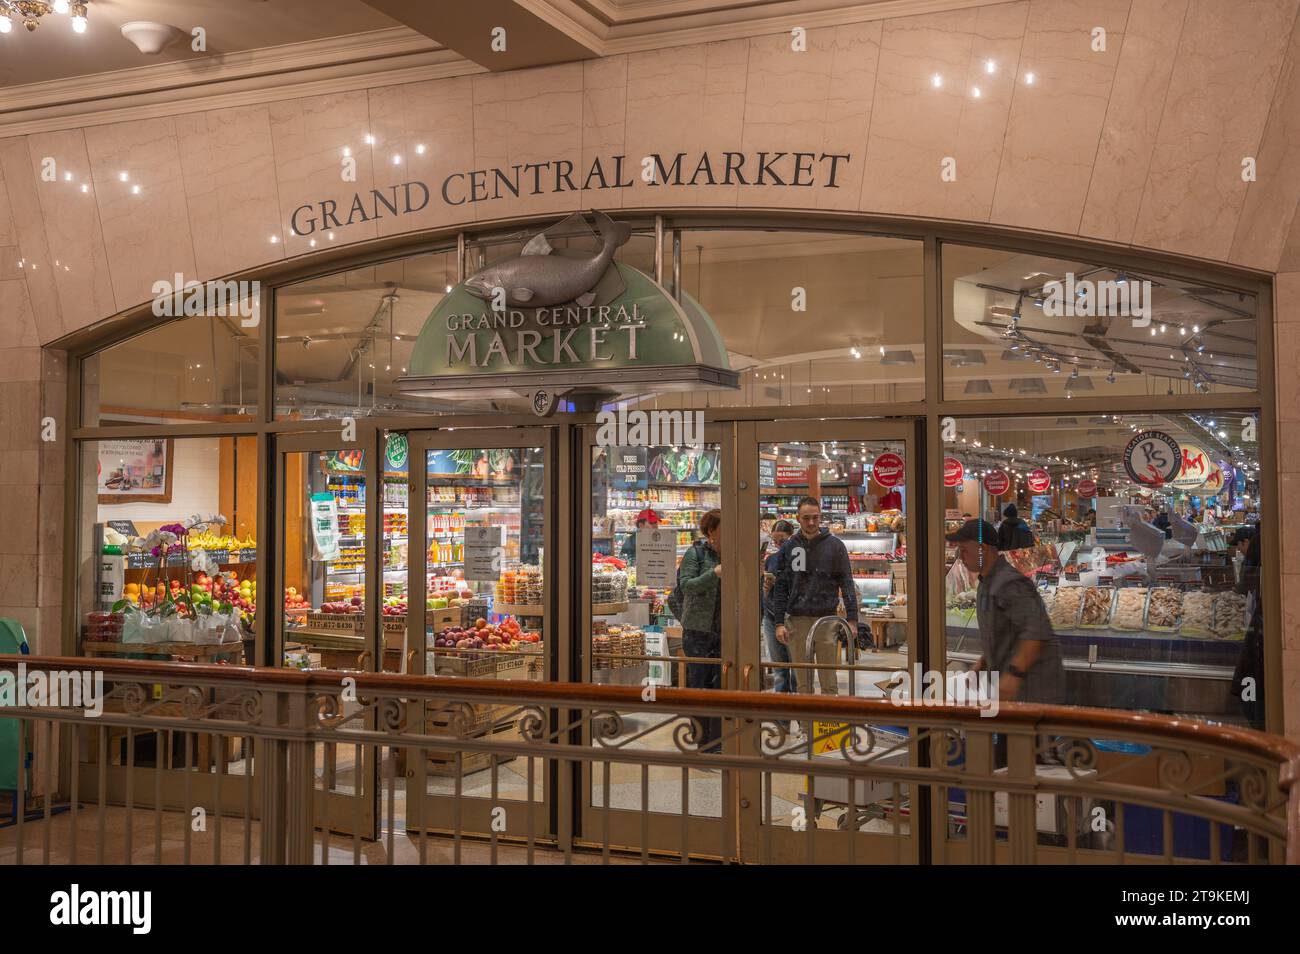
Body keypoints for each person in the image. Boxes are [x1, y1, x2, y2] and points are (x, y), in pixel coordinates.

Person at [947, 518, 1065, 706]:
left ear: (982, 549)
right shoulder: (986, 581)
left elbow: (1036, 632)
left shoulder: (1009, 582)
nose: (961, 556)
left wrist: (1013, 676)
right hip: (1010, 691)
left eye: (964, 550)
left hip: (1033, 691)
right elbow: (1004, 631)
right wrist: (982, 663)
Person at [771, 497, 859, 714]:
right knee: (802, 681)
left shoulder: (835, 546)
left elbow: (847, 583)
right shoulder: (789, 547)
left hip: (827, 620)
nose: (811, 522)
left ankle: (830, 725)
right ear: (798, 519)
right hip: (797, 620)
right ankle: (805, 726)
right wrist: (779, 622)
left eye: (815, 517)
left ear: (821, 517)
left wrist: (852, 619)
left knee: (828, 679)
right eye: (806, 518)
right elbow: (781, 587)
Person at [676, 509, 724, 752]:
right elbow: (686, 586)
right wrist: (713, 574)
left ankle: (717, 739)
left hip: (723, 629)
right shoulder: (695, 553)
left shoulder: (732, 553)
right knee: (699, 683)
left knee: (719, 684)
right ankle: (700, 738)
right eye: (722, 528)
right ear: (710, 531)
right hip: (697, 630)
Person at [761, 520, 796, 696]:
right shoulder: (771, 560)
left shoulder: (799, 558)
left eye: (782, 540)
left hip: (792, 617)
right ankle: (782, 716)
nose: (778, 544)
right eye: (775, 541)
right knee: (779, 669)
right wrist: (766, 588)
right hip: (771, 616)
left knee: (797, 669)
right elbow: (765, 592)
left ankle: (799, 713)